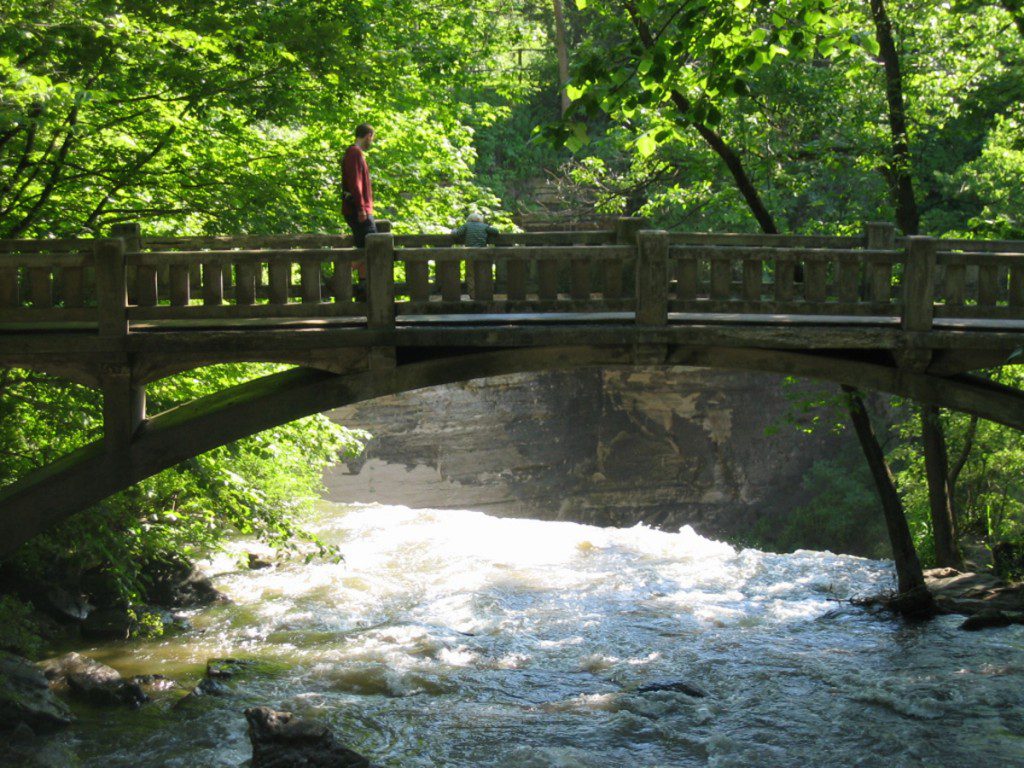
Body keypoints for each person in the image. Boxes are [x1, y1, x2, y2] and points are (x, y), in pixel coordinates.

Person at [342, 123, 376, 250]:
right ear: (368, 136)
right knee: (373, 248)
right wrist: (361, 209)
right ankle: (351, 265)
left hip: (360, 210)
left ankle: (356, 265)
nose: (371, 142)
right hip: (358, 211)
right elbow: (355, 183)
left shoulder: (355, 153)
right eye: (372, 138)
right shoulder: (354, 153)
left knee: (366, 249)